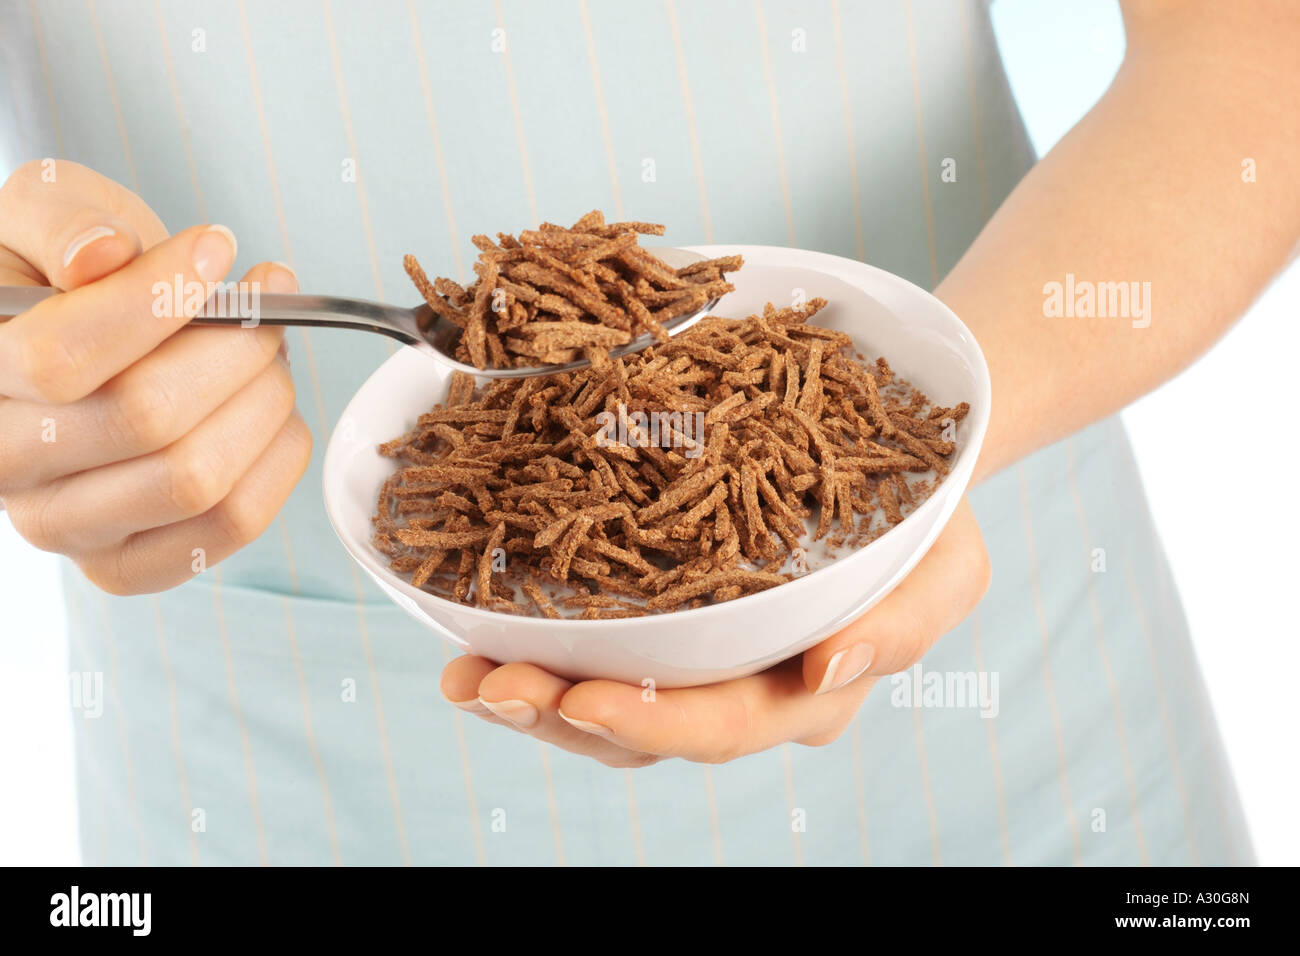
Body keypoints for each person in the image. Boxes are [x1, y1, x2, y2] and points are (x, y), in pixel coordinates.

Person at [0, 0, 1290, 865]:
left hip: (992, 674)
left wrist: (945, 435)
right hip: (282, 767)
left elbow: (1250, 62)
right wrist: (45, 350)